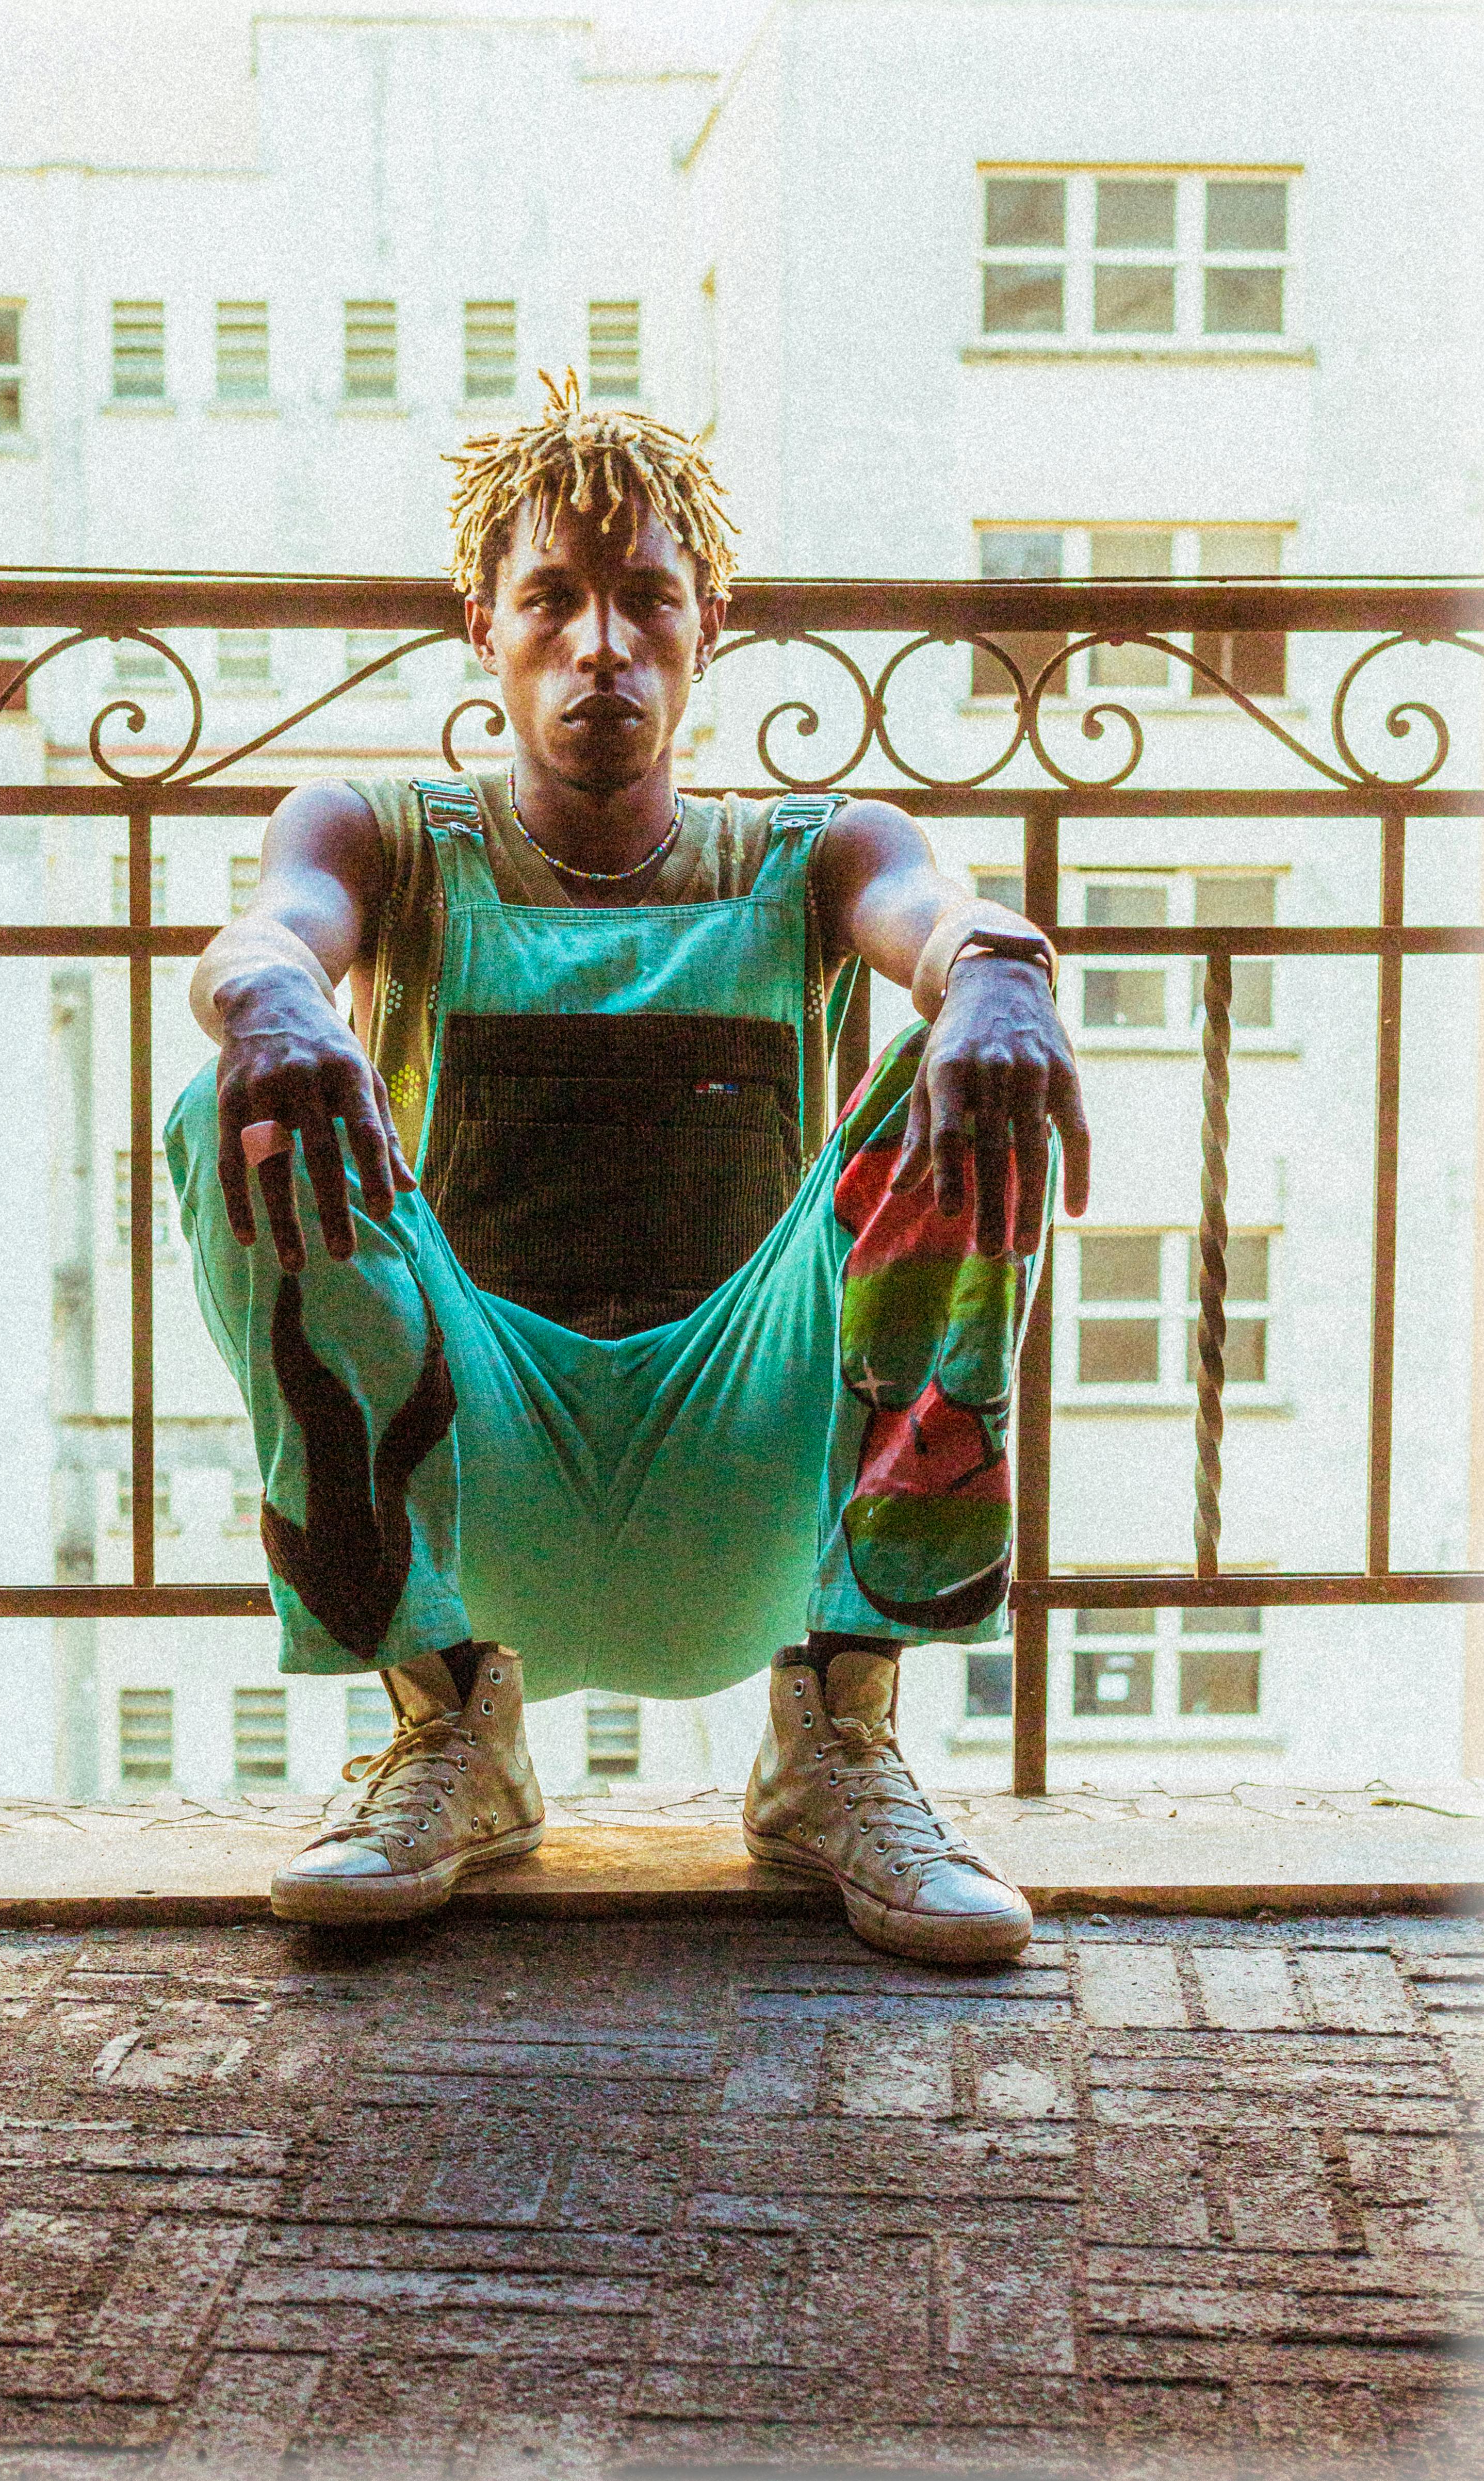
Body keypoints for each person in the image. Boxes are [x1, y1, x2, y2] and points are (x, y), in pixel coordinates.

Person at [167, 373, 1089, 1964]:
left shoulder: (818, 849)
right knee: (228, 1105)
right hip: (474, 1469)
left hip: (748, 1470)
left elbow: (933, 909)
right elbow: (276, 920)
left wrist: (999, 974)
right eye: (553, 600)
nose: (601, 644)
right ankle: (447, 1732)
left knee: (972, 1090)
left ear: (706, 626)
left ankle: (836, 1743)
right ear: (486, 627)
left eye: (645, 600)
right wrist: (265, 997)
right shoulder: (382, 833)